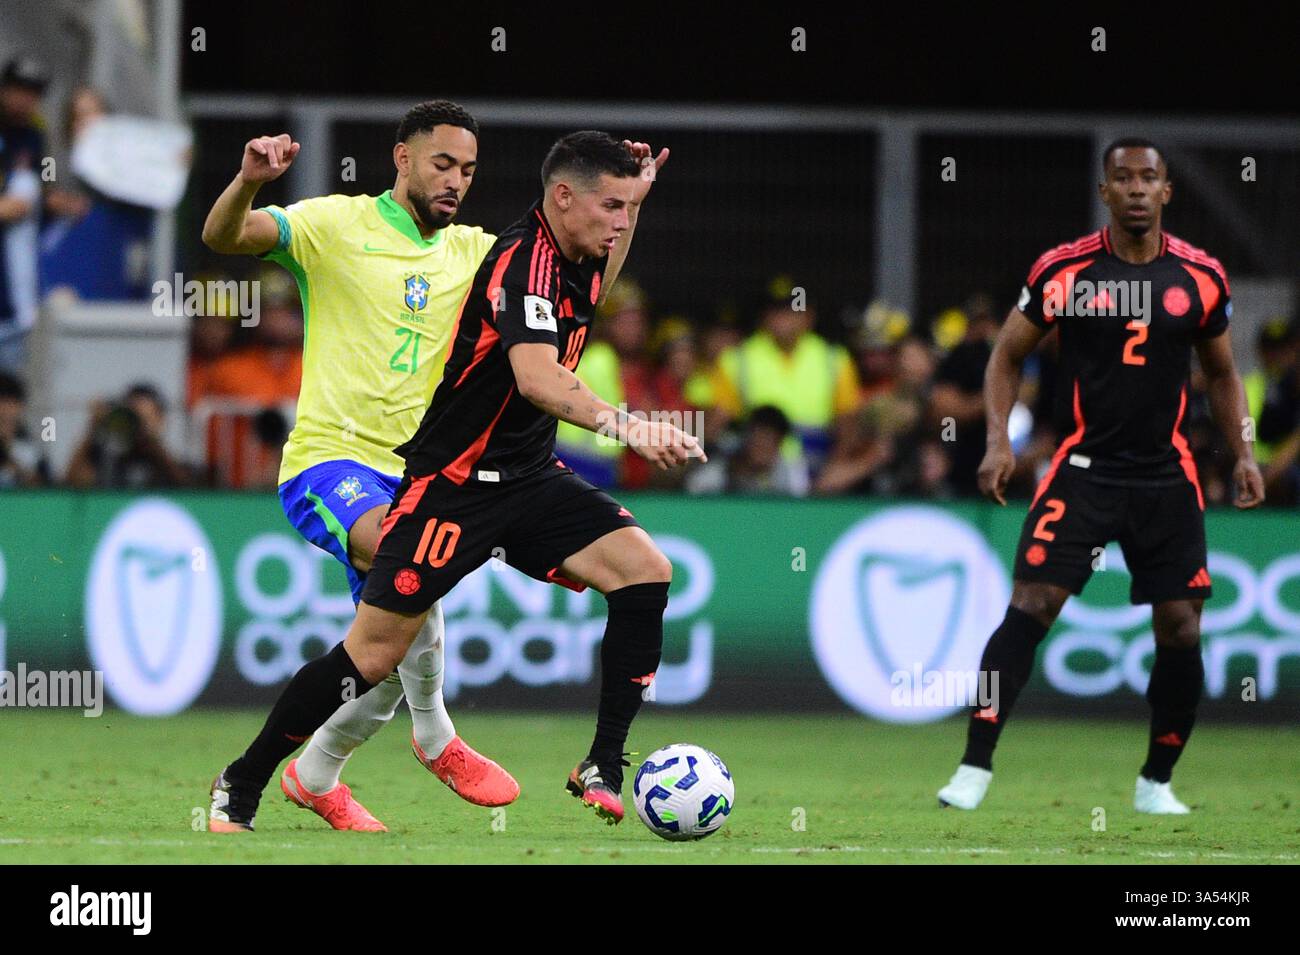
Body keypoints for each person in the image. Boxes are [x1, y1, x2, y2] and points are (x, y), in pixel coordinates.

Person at [209, 130, 692, 830]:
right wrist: (630, 425)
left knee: (645, 571)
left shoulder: (545, 250)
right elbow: (534, 377)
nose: (458, 179)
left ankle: (603, 762)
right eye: (610, 206)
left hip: (522, 476)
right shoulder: (513, 261)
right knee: (373, 653)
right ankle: (248, 779)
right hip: (439, 482)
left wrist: (632, 208)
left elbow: (600, 274)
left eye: (469, 168)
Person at [201, 100, 517, 832]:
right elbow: (224, 235)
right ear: (401, 157)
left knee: (376, 655)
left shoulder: (473, 250)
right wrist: (249, 180)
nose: (455, 181)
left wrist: (619, 214)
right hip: (330, 461)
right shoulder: (334, 225)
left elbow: (572, 274)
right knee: (409, 551)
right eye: (442, 163)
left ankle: (316, 775)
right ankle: (436, 731)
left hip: (418, 476)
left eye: (468, 170)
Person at [936, 138, 1264, 815]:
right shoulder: (1066, 272)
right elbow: (1006, 358)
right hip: (1082, 472)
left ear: (1167, 191)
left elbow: (1224, 375)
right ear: (1105, 192)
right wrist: (998, 441)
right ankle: (973, 765)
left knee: (1180, 626)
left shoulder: (1201, 277)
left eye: (1149, 177)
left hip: (1167, 478)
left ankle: (1157, 780)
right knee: (1032, 605)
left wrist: (1246, 452)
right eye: (1124, 178)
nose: (1138, 188)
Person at [0, 58, 47, 376]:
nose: (25, 100)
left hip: (14, 304)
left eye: (32, 93)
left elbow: (28, 202)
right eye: (19, 90)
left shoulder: (31, 137)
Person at [65, 383, 192, 489]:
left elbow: (190, 489)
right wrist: (92, 429)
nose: (138, 426)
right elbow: (70, 483)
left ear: (161, 420)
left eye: (146, 419)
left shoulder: (171, 464)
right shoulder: (106, 461)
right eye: (133, 419)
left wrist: (152, 445)